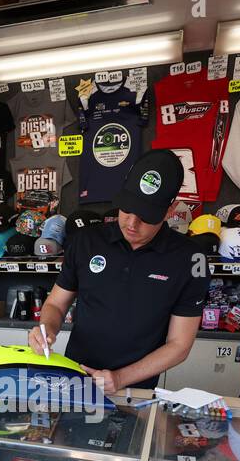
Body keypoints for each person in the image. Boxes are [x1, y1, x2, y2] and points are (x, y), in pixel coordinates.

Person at [29, 149, 208, 393]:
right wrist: (47, 328)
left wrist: (120, 378)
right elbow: (56, 305)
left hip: (135, 388)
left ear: (169, 211)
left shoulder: (189, 259)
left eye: (146, 216)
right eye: (128, 209)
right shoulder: (86, 242)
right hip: (75, 375)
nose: (132, 224)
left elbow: (179, 345)